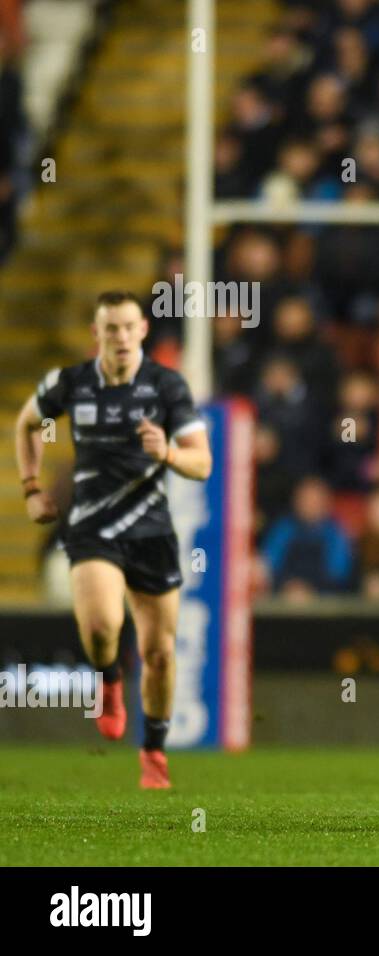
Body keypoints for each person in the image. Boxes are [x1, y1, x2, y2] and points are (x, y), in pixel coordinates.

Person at [14, 291, 212, 789]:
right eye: (111, 329)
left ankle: (153, 751)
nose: (121, 338)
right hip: (92, 526)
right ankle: (108, 680)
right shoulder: (72, 383)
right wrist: (32, 488)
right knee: (103, 625)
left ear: (143, 330)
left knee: (160, 652)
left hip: (150, 531)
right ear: (96, 335)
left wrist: (166, 451)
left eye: (128, 328)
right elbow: (27, 423)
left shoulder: (167, 387)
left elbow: (202, 463)